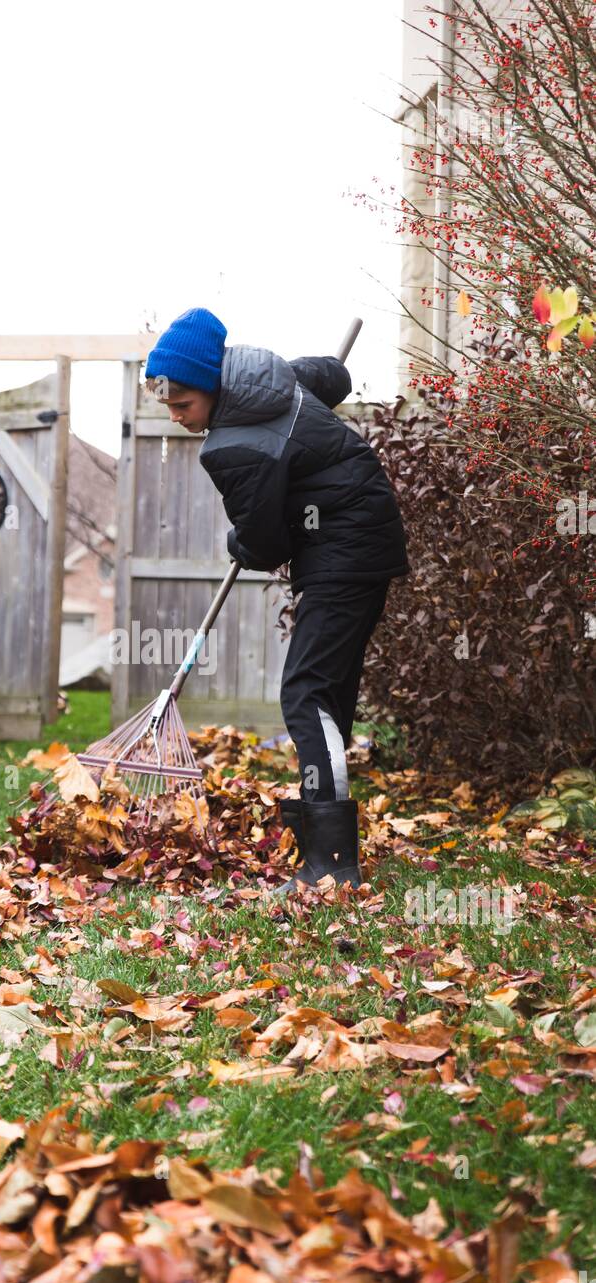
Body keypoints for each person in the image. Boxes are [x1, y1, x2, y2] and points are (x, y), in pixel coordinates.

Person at [143, 305, 409, 893]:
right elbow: (331, 378)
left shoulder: (232, 447)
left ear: (212, 387)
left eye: (182, 404)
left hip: (344, 549)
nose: (177, 417)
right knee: (329, 690)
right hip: (365, 539)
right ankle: (326, 837)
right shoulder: (274, 378)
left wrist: (240, 537)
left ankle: (332, 860)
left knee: (305, 691)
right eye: (167, 404)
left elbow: (263, 545)